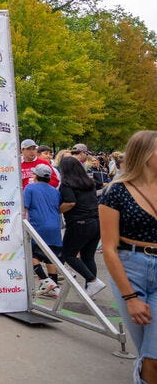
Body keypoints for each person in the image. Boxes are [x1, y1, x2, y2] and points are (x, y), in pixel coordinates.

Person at [100, 131, 157, 383]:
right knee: (147, 354)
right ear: (144, 154)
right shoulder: (117, 192)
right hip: (130, 268)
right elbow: (109, 248)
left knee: (154, 355)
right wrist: (130, 297)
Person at [57, 155, 106, 297]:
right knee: (88, 256)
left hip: (79, 223)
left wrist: (57, 210)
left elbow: (70, 202)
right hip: (96, 222)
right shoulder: (89, 182)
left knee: (68, 254)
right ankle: (90, 288)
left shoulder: (67, 184)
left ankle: (92, 280)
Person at [23, 163, 63, 298]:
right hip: (55, 227)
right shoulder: (55, 191)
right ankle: (54, 288)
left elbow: (24, 207)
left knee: (31, 256)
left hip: (38, 226)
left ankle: (46, 281)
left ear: (36, 176)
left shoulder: (30, 188)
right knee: (50, 257)